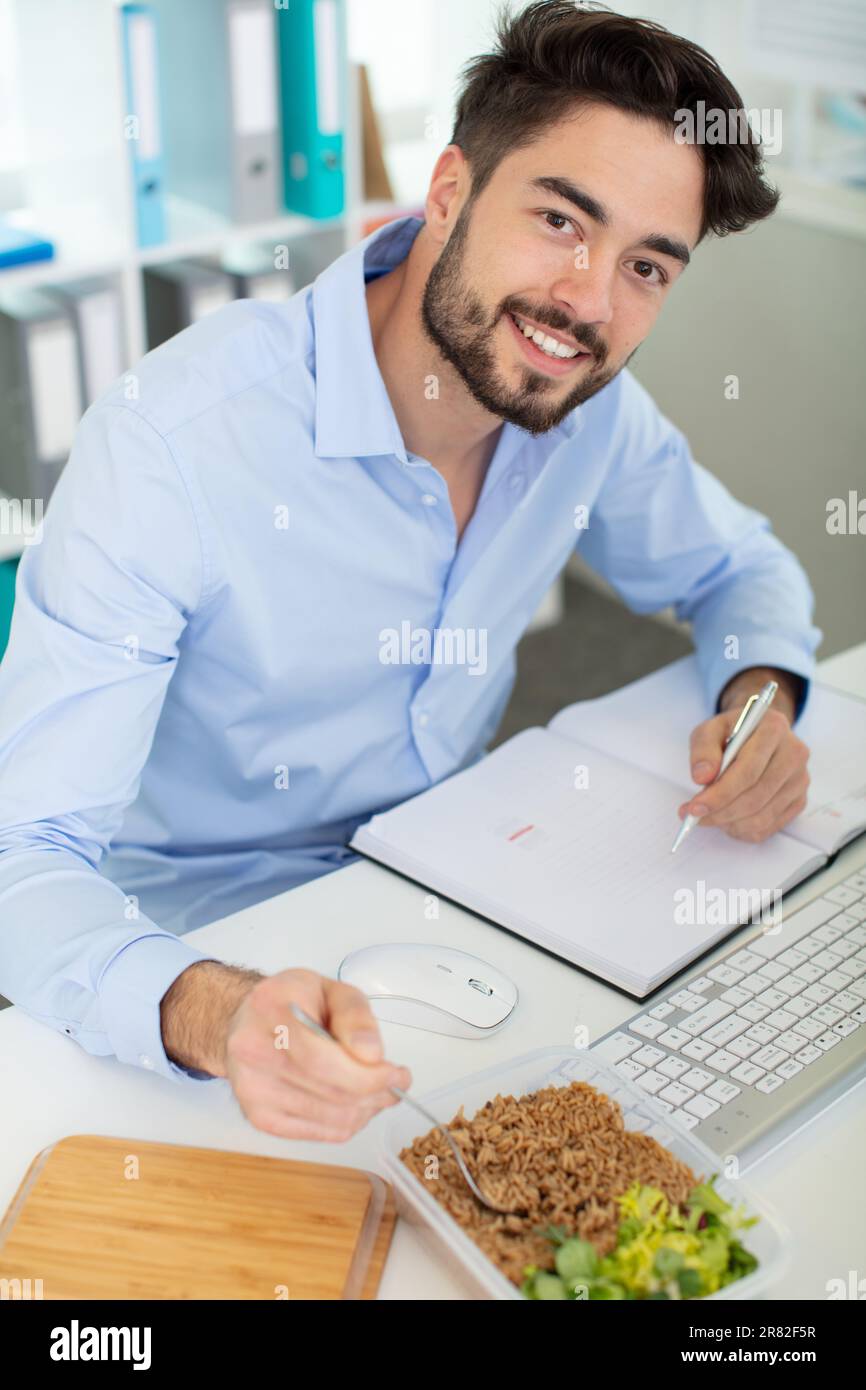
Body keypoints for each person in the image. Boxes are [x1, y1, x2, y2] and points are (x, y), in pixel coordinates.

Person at [0, 2, 819, 1141]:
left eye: (644, 266)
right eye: (557, 220)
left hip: (457, 896)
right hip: (197, 959)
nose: (587, 302)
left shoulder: (587, 416)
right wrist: (206, 1007)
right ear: (446, 192)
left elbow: (737, 565)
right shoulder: (176, 443)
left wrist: (759, 694)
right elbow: (19, 857)